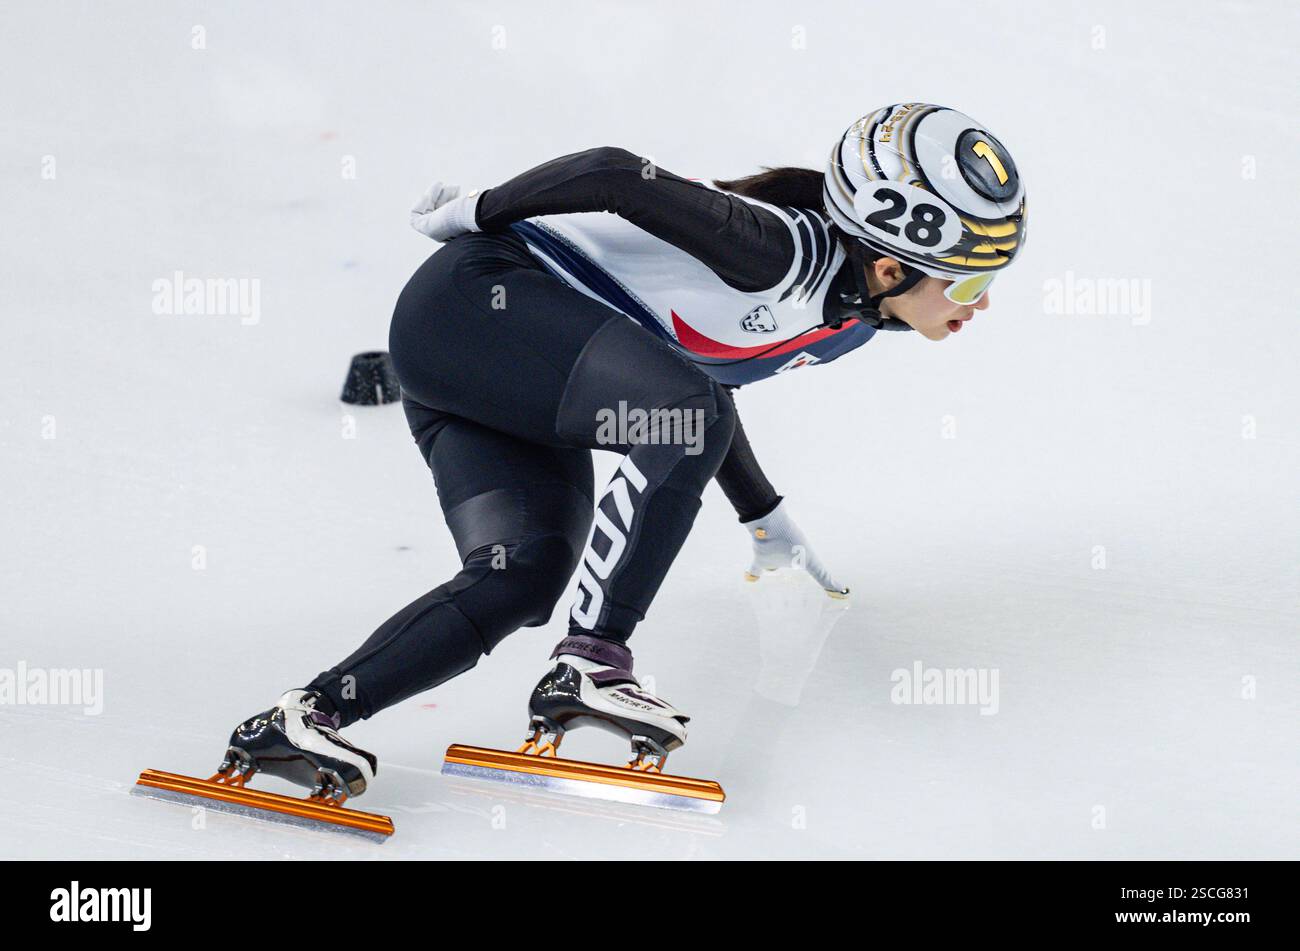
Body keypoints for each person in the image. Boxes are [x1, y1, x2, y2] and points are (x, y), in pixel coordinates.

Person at [217, 102, 1028, 801]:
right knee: (684, 411)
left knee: (519, 577)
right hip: (470, 304)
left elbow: (704, 386)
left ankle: (304, 717)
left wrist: (763, 514)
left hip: (507, 385)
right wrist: (476, 210)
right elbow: (613, 173)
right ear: (888, 264)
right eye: (965, 280)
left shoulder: (856, 319)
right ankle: (593, 662)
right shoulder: (778, 252)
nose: (981, 302)